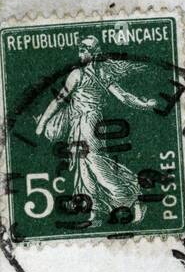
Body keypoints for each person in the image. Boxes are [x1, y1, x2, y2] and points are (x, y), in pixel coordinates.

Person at [33, 36, 158, 226]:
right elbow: (60, 99)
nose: (81, 51)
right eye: (80, 48)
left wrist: (144, 104)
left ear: (95, 52)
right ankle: (96, 210)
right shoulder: (77, 74)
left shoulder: (98, 74)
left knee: (95, 160)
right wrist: (42, 122)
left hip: (91, 121)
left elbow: (123, 96)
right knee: (83, 166)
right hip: (79, 122)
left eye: (85, 48)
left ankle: (130, 195)